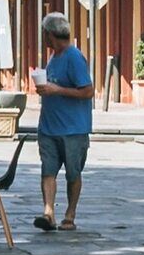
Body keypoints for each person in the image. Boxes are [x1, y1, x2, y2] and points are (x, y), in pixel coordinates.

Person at [32, 14, 96, 232]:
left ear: (50, 34)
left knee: (73, 173)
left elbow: (87, 91)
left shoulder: (74, 57)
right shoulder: (53, 57)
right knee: (48, 170)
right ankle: (48, 212)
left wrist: (56, 90)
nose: (43, 38)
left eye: (44, 34)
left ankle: (70, 214)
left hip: (73, 128)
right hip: (49, 127)